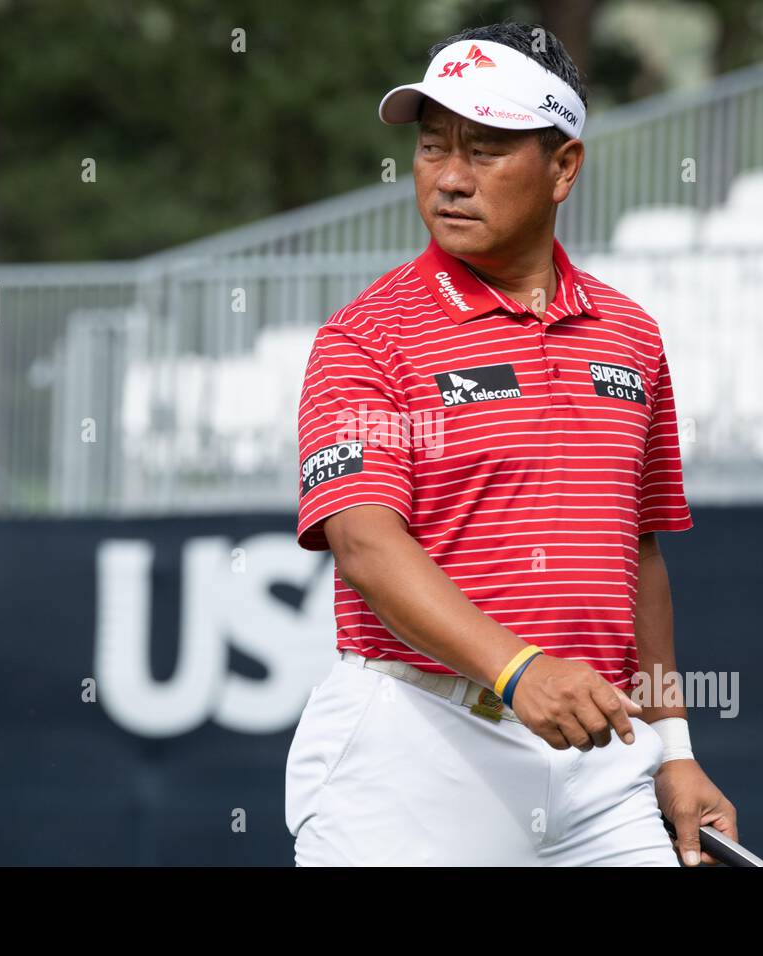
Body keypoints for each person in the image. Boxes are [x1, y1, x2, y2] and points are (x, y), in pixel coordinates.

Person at [286, 21, 737, 866]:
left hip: (600, 763)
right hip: (411, 754)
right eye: (431, 148)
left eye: (486, 149)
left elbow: (635, 555)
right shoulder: (364, 338)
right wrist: (519, 670)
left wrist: (673, 750)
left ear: (564, 166)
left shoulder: (631, 337)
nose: (449, 178)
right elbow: (364, 544)